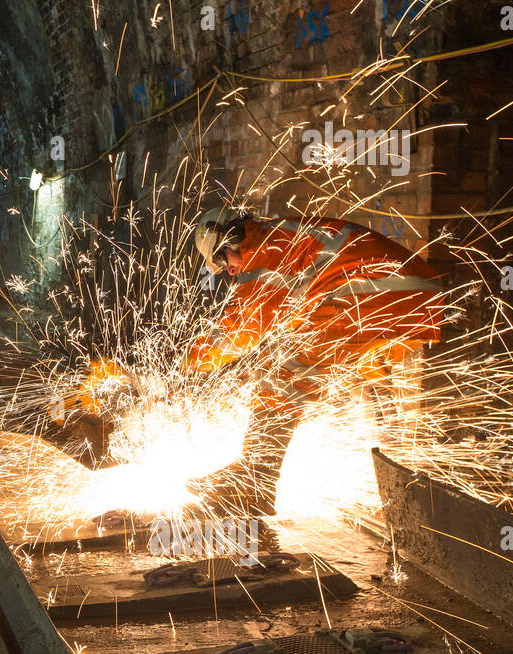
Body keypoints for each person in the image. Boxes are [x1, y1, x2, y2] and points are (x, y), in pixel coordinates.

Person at [182, 206, 444, 514]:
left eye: (222, 260)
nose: (228, 271)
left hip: (370, 292)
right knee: (320, 368)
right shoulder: (280, 237)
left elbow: (242, 327)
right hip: (402, 294)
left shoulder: (264, 251)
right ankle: (393, 463)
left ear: (232, 238)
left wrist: (187, 367)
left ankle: (252, 483)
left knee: (278, 376)